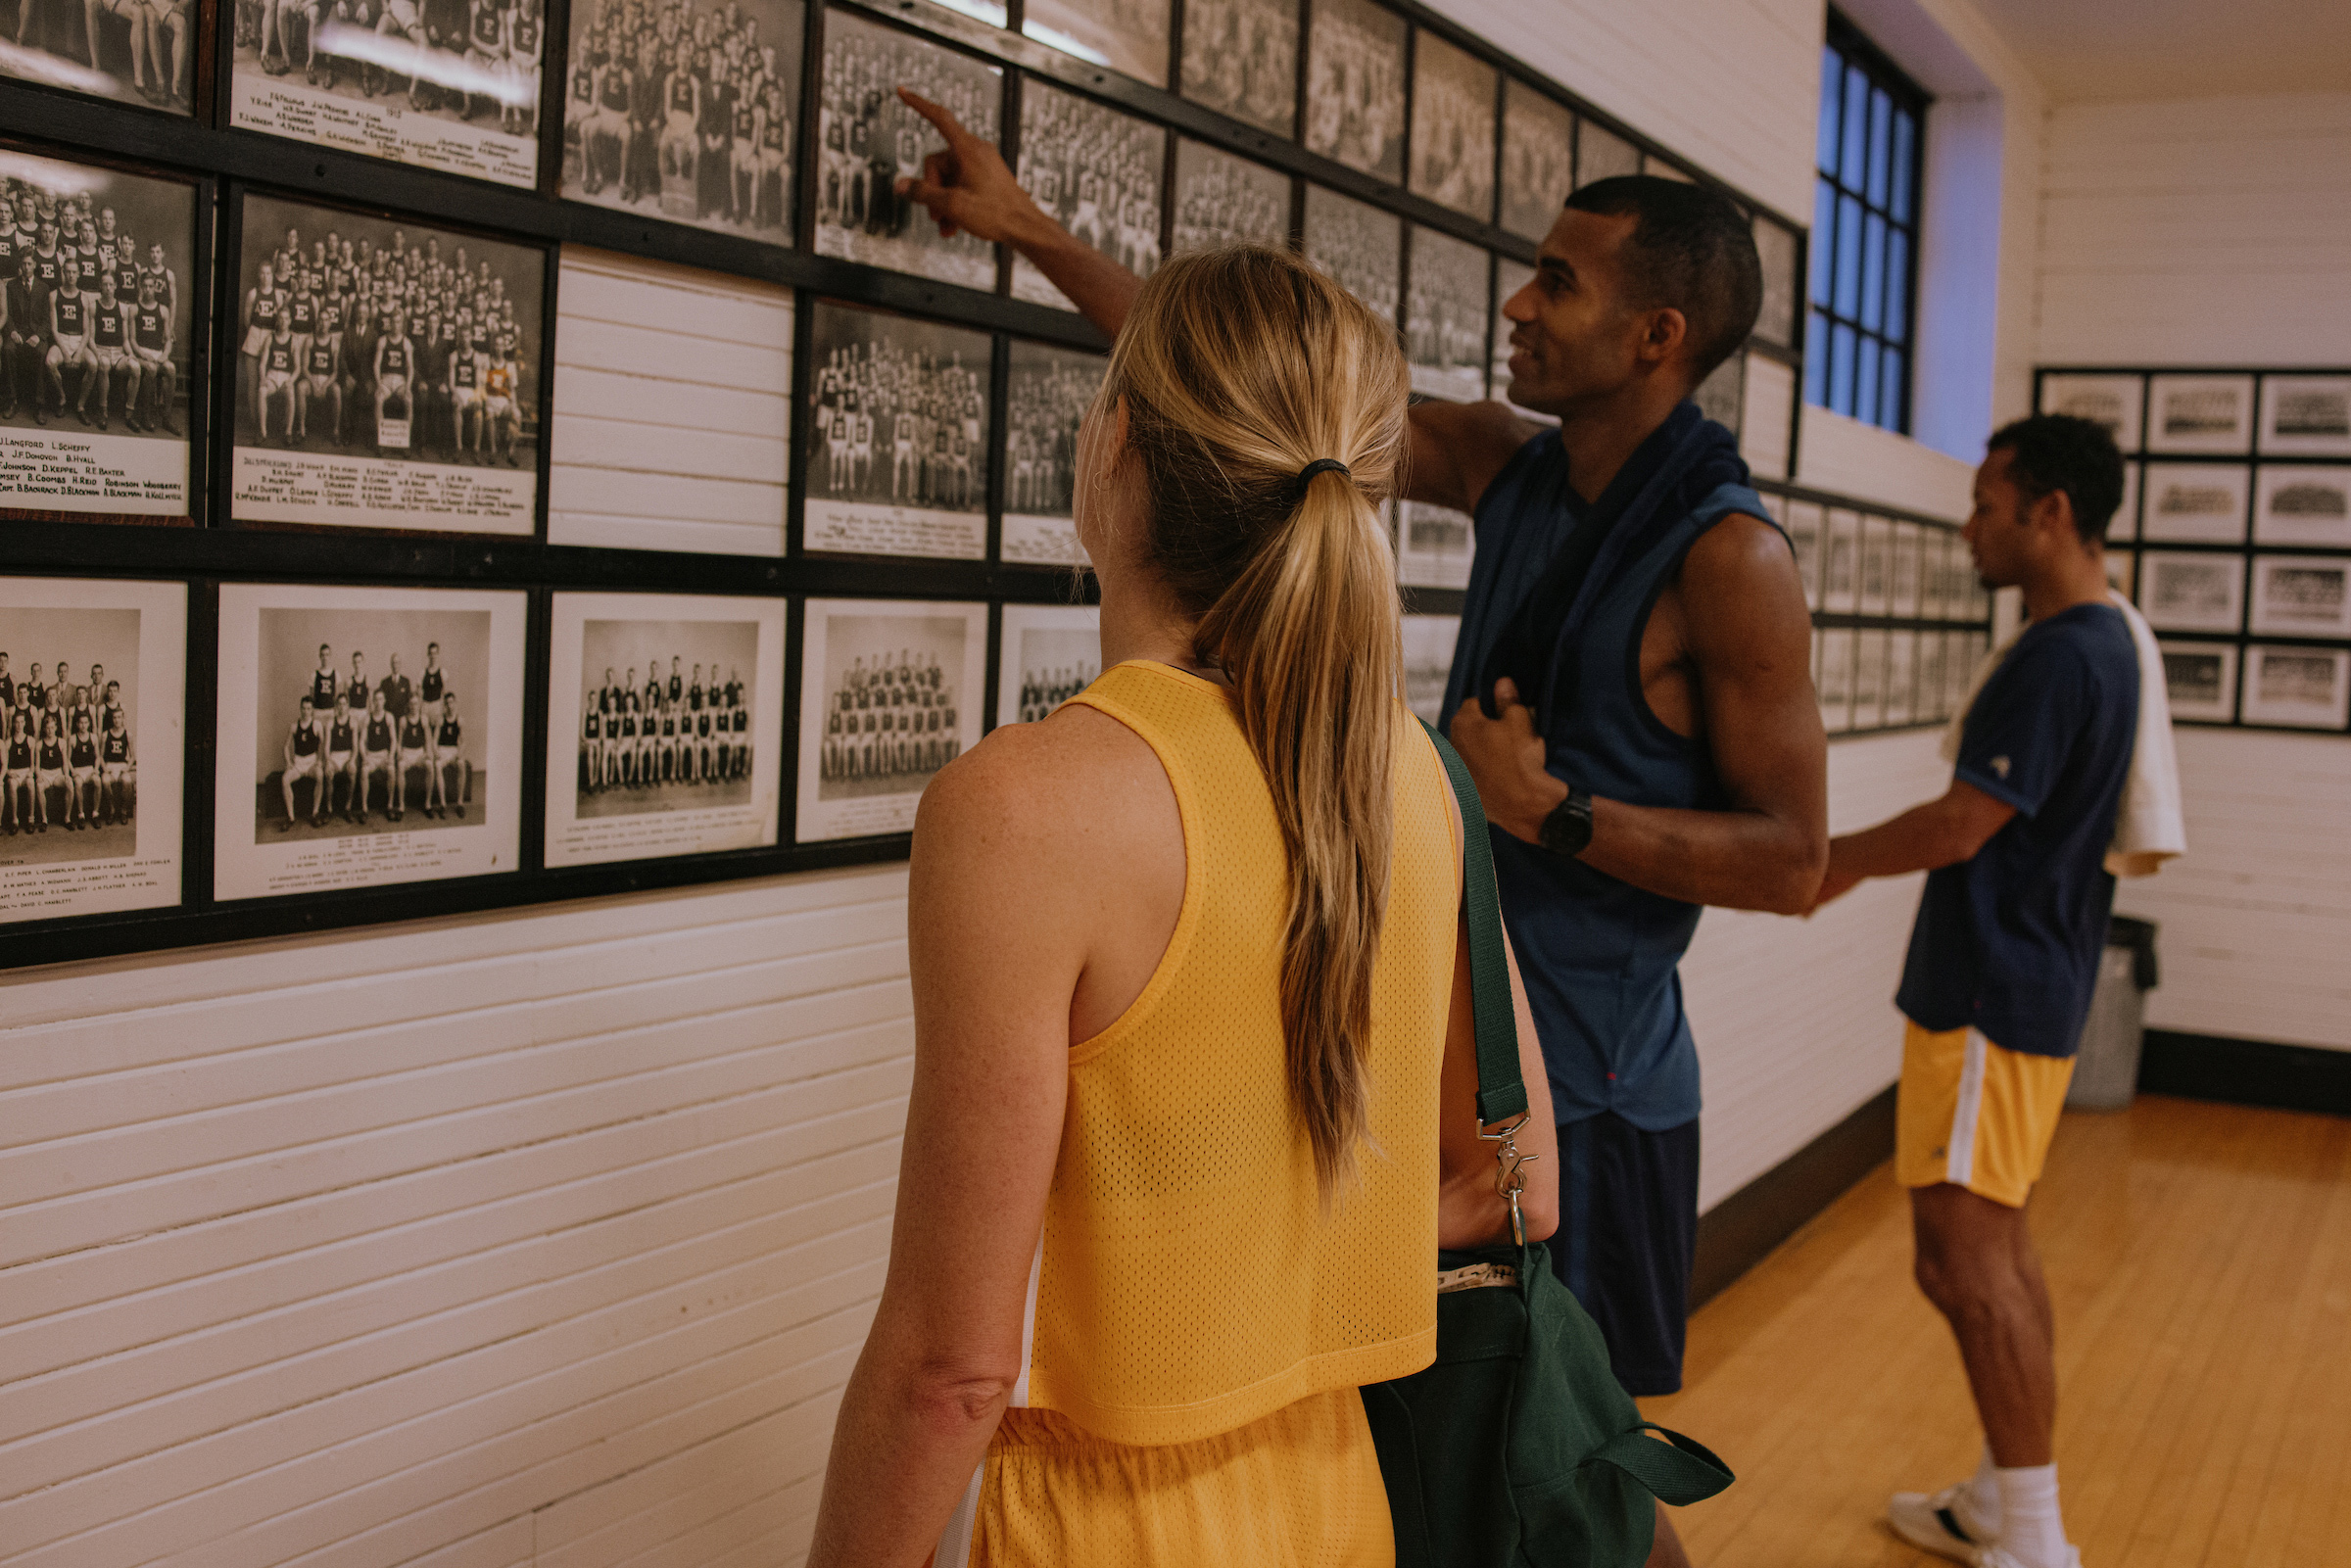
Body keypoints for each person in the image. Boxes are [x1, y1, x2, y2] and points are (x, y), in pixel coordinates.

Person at [893, 105, 1822, 1568]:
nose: (1516, 305)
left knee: (1565, 1455)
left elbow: (1795, 858)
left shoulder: (1730, 552)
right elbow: (1257, 421)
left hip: (1592, 1054)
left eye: (1558, 281)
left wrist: (1555, 813)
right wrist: (1033, 235)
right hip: (1419, 996)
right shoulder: (1507, 482)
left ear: (1659, 336)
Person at [804, 243, 1559, 1568]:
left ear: (1115, 449)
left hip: (1112, 1527)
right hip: (1341, 1502)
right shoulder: (1416, 772)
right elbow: (1522, 1186)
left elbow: (951, 1372)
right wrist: (1280, 1269)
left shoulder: (1025, 804)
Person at [1811, 415, 2139, 1568]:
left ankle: (2036, 1537)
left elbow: (1962, 824)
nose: (1969, 527)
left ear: (2051, 513)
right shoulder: (2105, 637)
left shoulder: (2060, 656)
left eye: (1985, 506)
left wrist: (1829, 861)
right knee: (1991, 1247)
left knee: (1965, 1260)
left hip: (1994, 996)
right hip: (2021, 986)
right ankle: (2006, 1499)